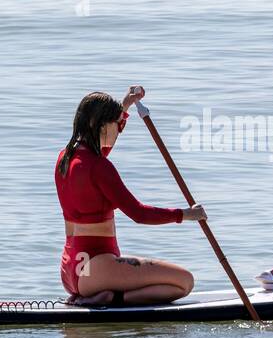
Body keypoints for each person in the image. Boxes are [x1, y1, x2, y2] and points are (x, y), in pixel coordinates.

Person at [55, 85, 206, 306]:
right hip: (97, 268)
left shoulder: (65, 159)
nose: (119, 129)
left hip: (71, 270)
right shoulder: (100, 168)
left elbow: (97, 158)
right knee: (184, 282)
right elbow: (138, 214)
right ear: (97, 125)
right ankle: (112, 298)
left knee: (176, 281)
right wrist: (186, 215)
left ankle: (98, 295)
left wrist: (124, 107)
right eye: (116, 124)